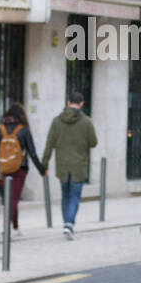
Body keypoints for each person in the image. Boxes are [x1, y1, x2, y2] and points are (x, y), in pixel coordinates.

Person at [42, 90, 99, 240]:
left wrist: (44, 164)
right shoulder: (86, 122)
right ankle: (69, 224)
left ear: (68, 103)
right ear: (81, 104)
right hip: (78, 165)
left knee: (65, 196)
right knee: (74, 196)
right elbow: (93, 142)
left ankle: (67, 223)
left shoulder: (56, 121)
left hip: (62, 165)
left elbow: (49, 144)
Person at [0, 102, 46, 237]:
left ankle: (15, 227)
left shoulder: (0, 129)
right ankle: (7, 227)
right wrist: (41, 169)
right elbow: (32, 152)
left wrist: (4, 160)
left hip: (4, 168)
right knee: (14, 198)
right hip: (20, 169)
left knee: (9, 198)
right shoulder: (24, 130)